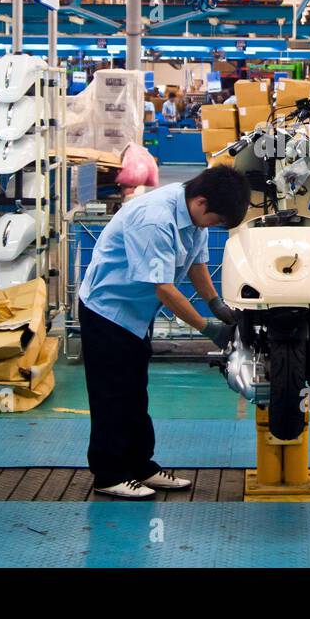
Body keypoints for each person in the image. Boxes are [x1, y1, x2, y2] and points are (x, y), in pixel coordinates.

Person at [77, 166, 251, 499]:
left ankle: (141, 466)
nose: (212, 226)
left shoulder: (193, 213)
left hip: (135, 314)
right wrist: (208, 328)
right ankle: (109, 474)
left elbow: (197, 265)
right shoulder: (155, 220)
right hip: (108, 310)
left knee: (134, 393)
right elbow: (165, 290)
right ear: (201, 202)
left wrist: (216, 304)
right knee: (111, 395)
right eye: (214, 220)